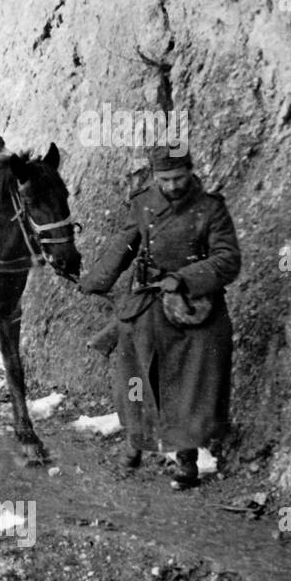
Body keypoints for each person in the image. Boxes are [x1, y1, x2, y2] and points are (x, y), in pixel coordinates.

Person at [78, 147, 241, 490]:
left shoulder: (211, 208)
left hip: (195, 306)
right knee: (136, 376)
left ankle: (187, 459)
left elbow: (228, 260)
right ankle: (135, 443)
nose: (172, 185)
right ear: (154, 176)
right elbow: (124, 245)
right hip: (150, 300)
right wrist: (95, 280)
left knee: (190, 382)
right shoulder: (143, 202)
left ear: (190, 171)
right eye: (164, 179)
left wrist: (184, 278)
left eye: (179, 177)